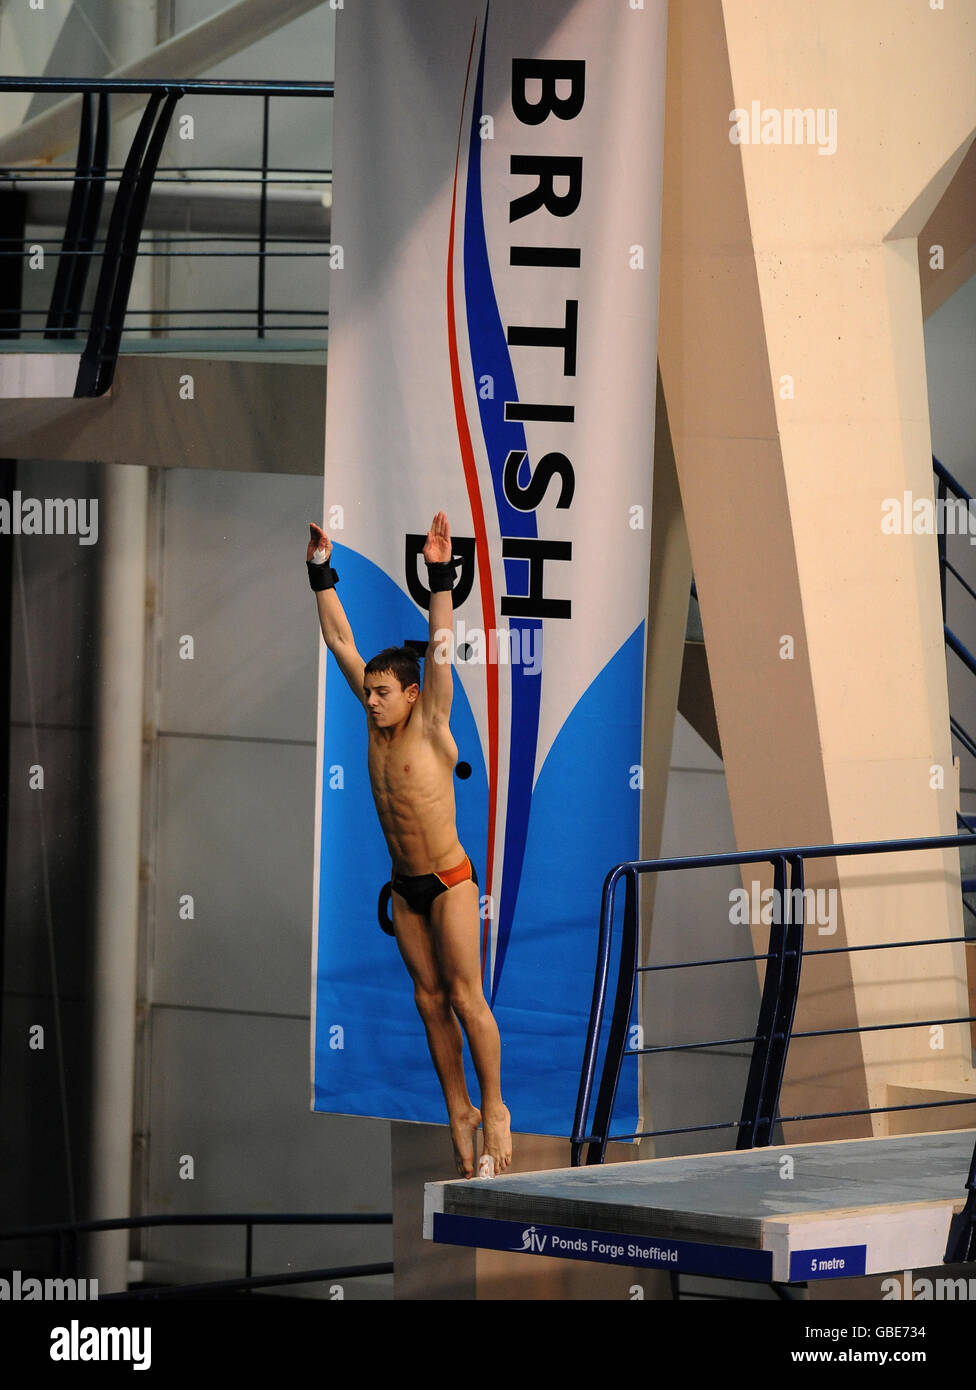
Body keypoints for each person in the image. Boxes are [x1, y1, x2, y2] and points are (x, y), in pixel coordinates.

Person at [307, 511, 512, 1179]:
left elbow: (441, 642)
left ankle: (496, 1108)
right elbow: (340, 638)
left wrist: (441, 577)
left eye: (382, 693)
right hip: (404, 889)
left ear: (412, 694)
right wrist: (320, 572)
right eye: (368, 693)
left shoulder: (429, 722)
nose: (370, 702)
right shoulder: (375, 727)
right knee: (427, 1001)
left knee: (464, 996)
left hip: (449, 881)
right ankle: (457, 1110)